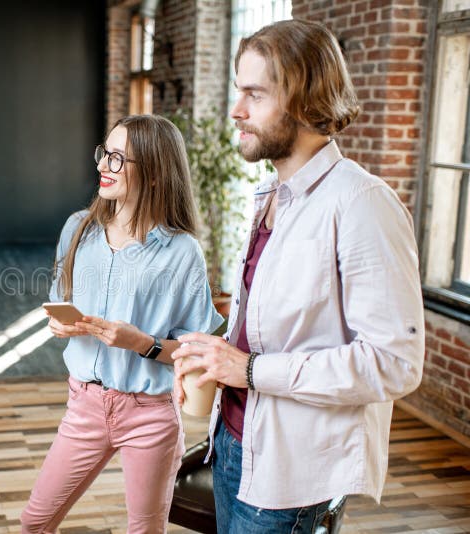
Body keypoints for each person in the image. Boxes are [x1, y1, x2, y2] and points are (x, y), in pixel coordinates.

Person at [172, 19, 425, 533]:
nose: (236, 111)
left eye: (254, 94)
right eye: (237, 91)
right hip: (235, 441)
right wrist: (218, 354)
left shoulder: (361, 204)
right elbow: (274, 329)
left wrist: (248, 370)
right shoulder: (270, 197)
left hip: (291, 475)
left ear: (307, 101)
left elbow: (395, 363)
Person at [21, 114, 223, 533]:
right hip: (84, 406)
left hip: (149, 414)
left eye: (117, 159)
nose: (101, 166)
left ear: (152, 172)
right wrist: (62, 324)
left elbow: (196, 352)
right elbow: (62, 301)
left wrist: (143, 343)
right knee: (34, 523)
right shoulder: (79, 229)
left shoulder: (181, 252)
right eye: (104, 154)